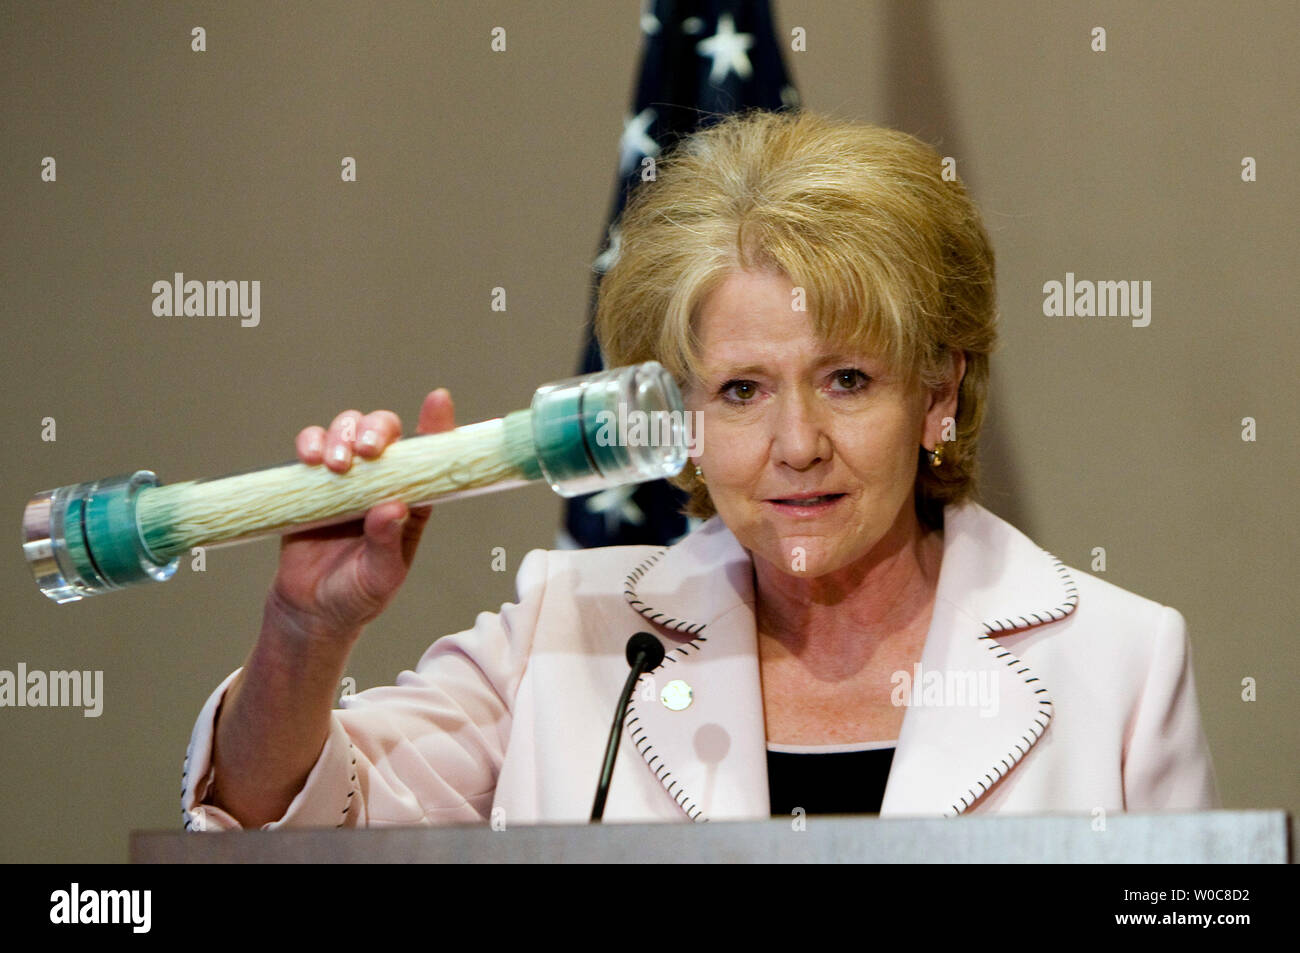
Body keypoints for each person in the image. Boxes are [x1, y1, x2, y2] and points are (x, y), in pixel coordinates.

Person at [182, 109, 1218, 830]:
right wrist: (304, 633)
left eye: (848, 378)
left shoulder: (1120, 662)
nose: (796, 441)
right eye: (740, 390)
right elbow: (278, 824)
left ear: (938, 391)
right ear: (675, 413)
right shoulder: (571, 634)